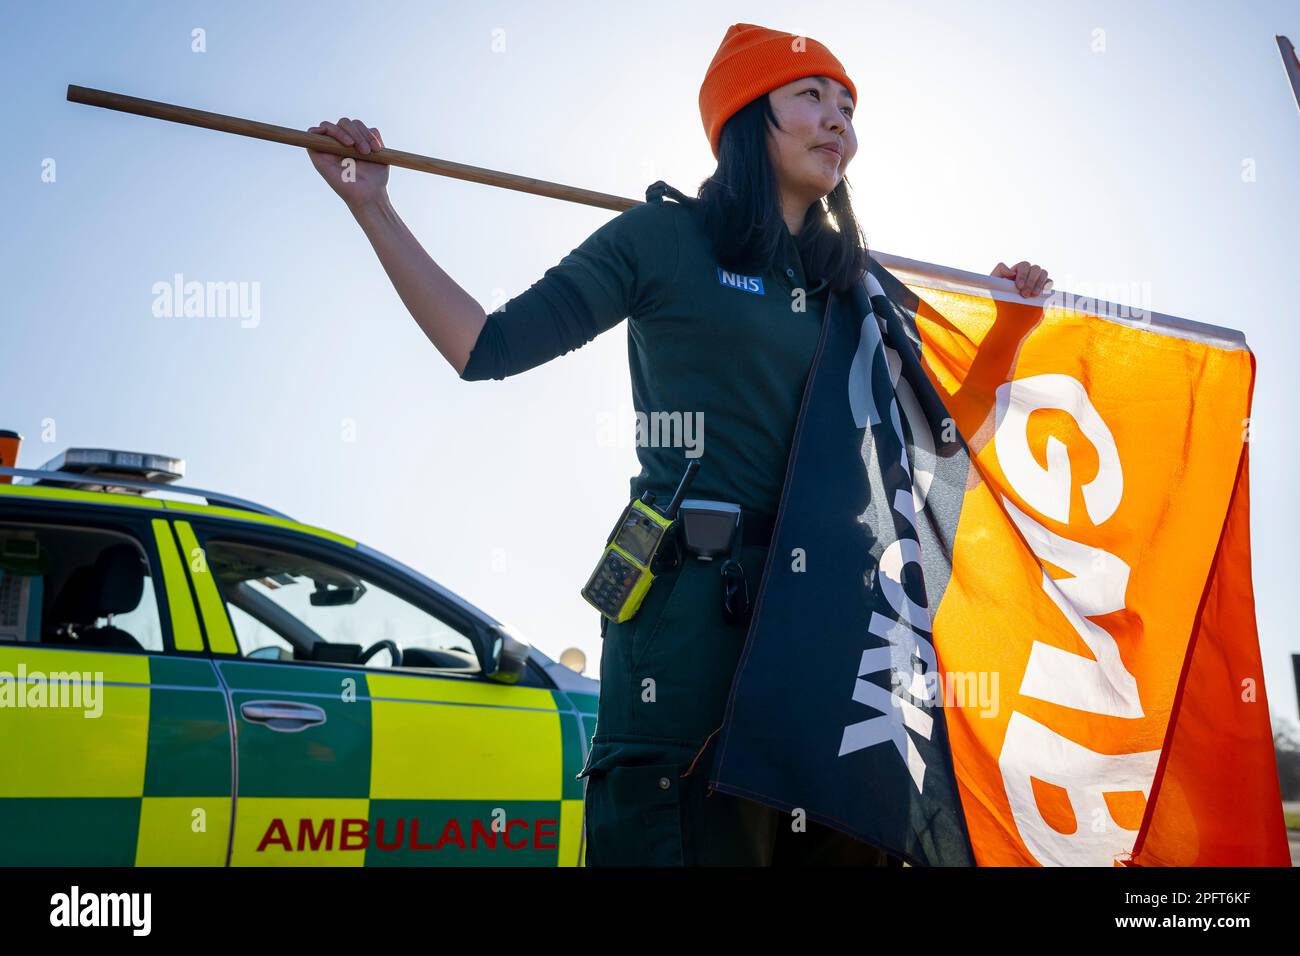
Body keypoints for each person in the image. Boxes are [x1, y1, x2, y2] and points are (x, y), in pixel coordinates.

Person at [306, 21, 1052, 866]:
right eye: (810, 95)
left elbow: (939, 437)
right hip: (690, 610)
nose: (837, 119)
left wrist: (1007, 337)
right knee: (684, 836)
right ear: (745, 116)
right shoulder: (661, 239)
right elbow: (483, 348)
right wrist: (373, 206)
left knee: (848, 845)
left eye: (847, 104)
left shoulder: (854, 284)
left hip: (836, 623)